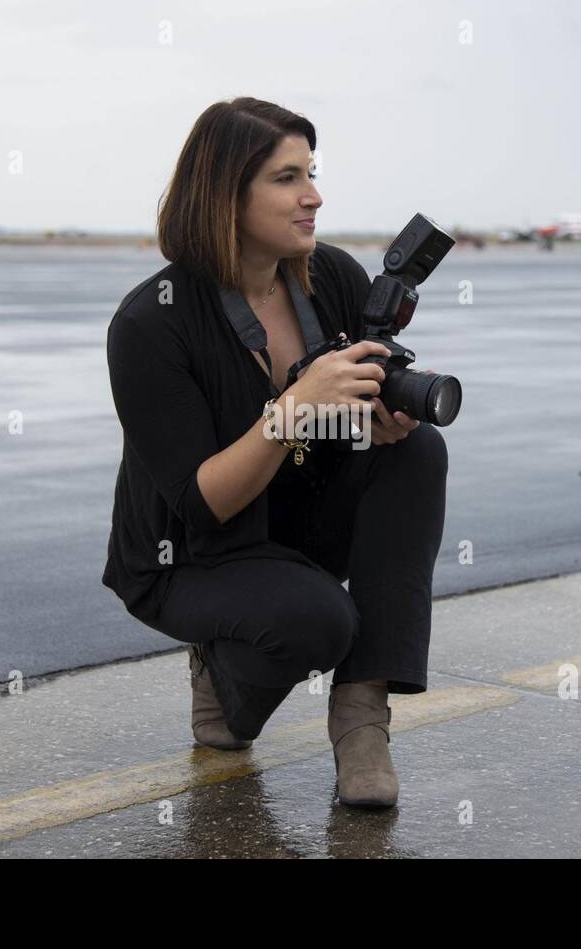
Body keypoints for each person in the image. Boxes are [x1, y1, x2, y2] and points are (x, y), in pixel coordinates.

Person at [101, 97, 448, 808]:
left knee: (417, 454)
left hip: (292, 521)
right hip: (190, 556)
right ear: (225, 194)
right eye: (288, 178)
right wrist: (293, 407)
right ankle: (224, 682)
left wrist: (375, 423)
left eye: (312, 173)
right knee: (319, 620)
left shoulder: (336, 279)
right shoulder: (150, 322)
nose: (314, 196)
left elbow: (345, 422)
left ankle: (361, 721)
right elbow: (203, 501)